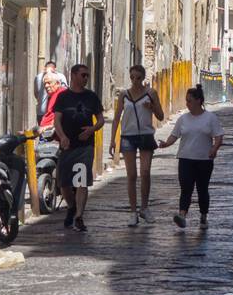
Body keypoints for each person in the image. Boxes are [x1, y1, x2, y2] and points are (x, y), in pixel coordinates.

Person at [158, 86, 225, 229]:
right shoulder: (183, 119)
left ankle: (203, 215)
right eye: (186, 101)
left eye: (189, 101)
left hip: (204, 160)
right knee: (186, 188)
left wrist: (214, 148)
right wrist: (165, 144)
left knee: (202, 189)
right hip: (185, 158)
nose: (187, 104)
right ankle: (182, 215)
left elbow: (219, 137)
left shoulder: (210, 118)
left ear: (198, 101)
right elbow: (174, 135)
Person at [109, 64, 164, 226]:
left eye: (138, 78)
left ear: (143, 78)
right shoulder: (124, 95)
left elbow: (161, 116)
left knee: (145, 172)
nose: (135, 81)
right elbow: (116, 118)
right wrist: (112, 140)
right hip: (128, 136)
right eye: (132, 77)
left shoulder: (151, 93)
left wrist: (152, 107)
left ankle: (144, 208)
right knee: (131, 175)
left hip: (146, 135)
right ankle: (133, 212)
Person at [53, 64, 104, 233]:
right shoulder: (63, 97)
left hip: (85, 146)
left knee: (81, 181)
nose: (86, 78)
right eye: (83, 75)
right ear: (73, 75)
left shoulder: (91, 97)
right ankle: (72, 206)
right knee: (64, 182)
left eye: (87, 75)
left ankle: (79, 216)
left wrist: (92, 129)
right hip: (67, 145)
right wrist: (62, 136)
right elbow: (57, 120)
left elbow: (101, 120)